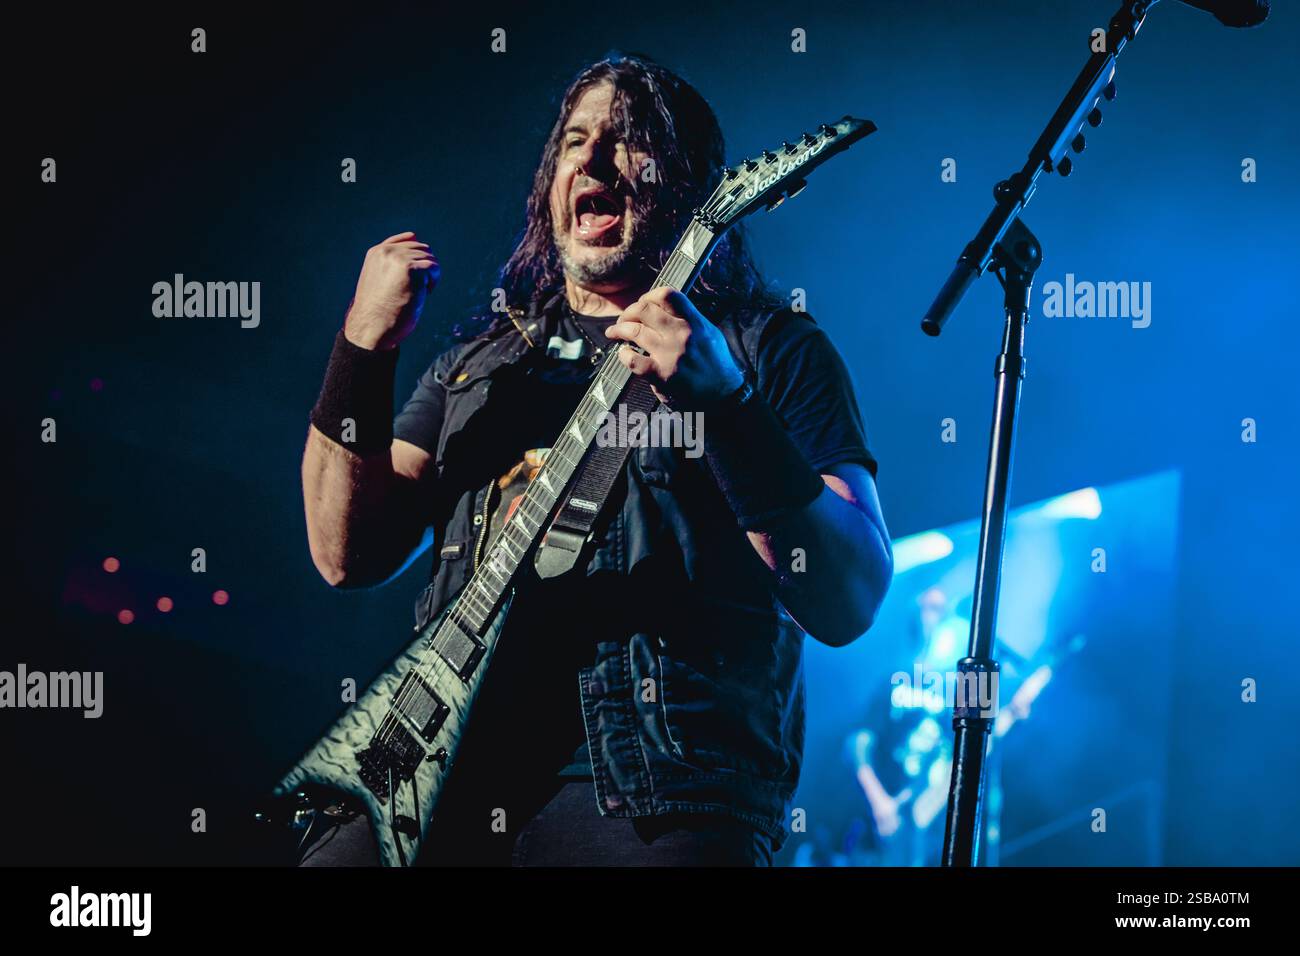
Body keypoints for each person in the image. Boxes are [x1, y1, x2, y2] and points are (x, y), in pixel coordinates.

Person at [300, 53, 892, 866]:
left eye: (628, 139)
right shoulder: (479, 366)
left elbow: (850, 591)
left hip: (654, 791)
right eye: (574, 140)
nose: (592, 157)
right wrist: (360, 353)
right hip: (438, 769)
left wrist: (724, 406)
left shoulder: (765, 349)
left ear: (683, 180)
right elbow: (345, 553)